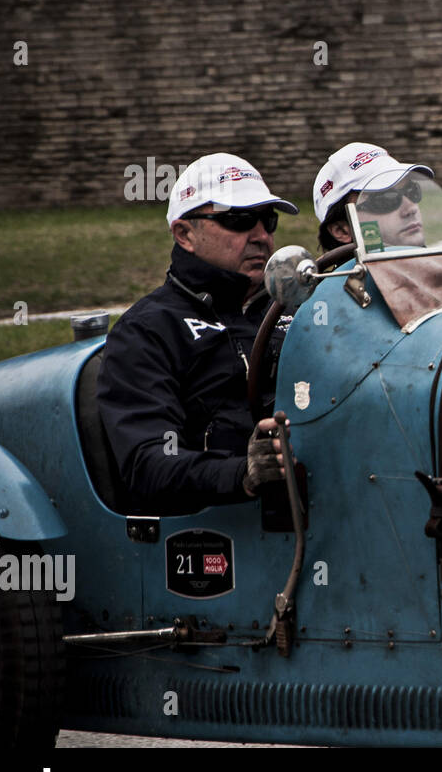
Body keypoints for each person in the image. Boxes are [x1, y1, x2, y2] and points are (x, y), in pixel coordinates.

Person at [97, 153, 300, 516]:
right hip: (227, 528)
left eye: (268, 220)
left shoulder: (298, 306)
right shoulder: (146, 331)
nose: (261, 237)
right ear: (185, 234)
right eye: (238, 220)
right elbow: (147, 465)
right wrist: (243, 472)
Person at [313, 142, 433, 252]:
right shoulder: (348, 276)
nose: (411, 209)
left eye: (412, 191)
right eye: (386, 199)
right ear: (342, 230)